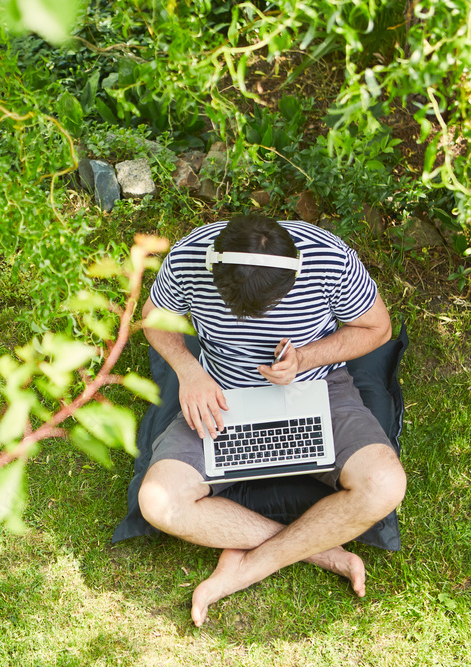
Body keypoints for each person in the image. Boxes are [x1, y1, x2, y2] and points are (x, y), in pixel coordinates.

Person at [138, 215, 407, 627]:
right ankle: (320, 551)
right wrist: (190, 373)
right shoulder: (190, 256)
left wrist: (306, 357)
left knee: (385, 484)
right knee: (157, 501)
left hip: (317, 389)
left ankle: (248, 569)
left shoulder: (330, 259)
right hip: (222, 395)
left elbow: (377, 328)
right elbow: (154, 318)